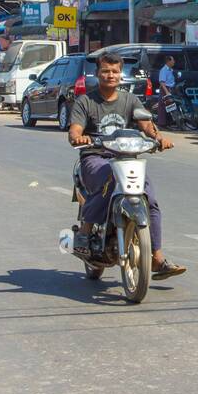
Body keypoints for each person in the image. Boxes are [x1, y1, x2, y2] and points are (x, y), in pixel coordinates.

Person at [68, 52, 185, 278]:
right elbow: (75, 129)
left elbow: (146, 125)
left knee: (149, 198)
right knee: (110, 180)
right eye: (105, 71)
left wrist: (158, 138)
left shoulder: (130, 100)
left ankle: (157, 257)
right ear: (97, 73)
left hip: (127, 158)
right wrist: (78, 137)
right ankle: (84, 231)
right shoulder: (86, 101)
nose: (110, 75)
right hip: (96, 158)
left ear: (120, 74)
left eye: (114, 71)